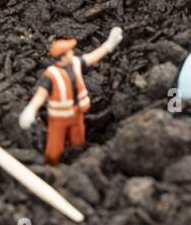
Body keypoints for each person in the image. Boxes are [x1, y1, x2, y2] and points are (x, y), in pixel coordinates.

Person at [19, 28, 122, 165]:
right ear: (62, 56)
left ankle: (78, 163)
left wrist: (108, 45)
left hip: (76, 114)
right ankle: (51, 166)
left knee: (78, 141)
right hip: (58, 118)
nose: (72, 52)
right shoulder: (51, 74)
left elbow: (91, 57)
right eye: (69, 51)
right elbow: (41, 95)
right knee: (55, 146)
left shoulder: (75, 63)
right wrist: (31, 109)